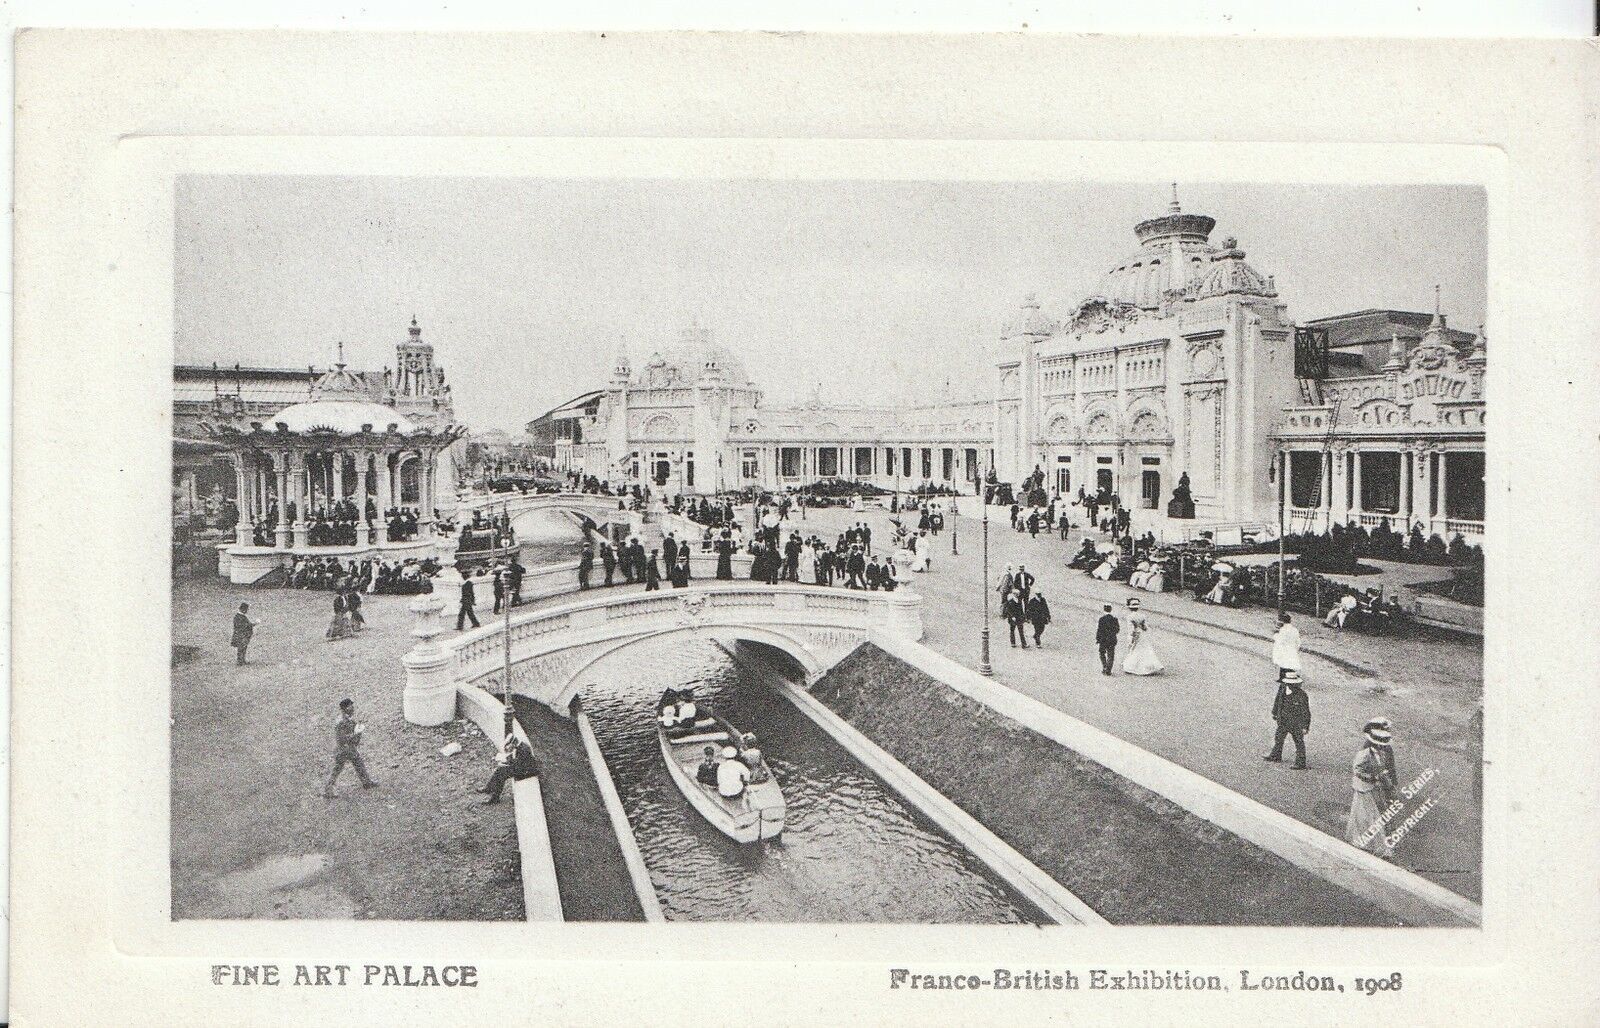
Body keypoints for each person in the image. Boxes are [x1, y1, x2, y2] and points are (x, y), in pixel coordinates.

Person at [1347, 717, 1399, 857]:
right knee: (1368, 814)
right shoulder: (1365, 753)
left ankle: (1369, 840)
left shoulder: (1384, 749)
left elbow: (1389, 766)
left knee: (1372, 814)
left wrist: (1390, 783)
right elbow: (1358, 770)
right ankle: (1370, 842)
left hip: (1374, 786)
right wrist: (1374, 778)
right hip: (1365, 787)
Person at [324, 698, 376, 796]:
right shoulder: (341, 722)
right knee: (337, 769)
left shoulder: (347, 719)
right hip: (343, 749)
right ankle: (328, 789)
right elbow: (341, 738)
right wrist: (356, 733)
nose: (353, 708)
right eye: (350, 706)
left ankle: (367, 782)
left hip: (348, 748)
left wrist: (357, 728)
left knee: (358, 763)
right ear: (345, 708)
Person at [1264, 670, 1311, 769]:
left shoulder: (1302, 695)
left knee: (1298, 742)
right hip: (1283, 721)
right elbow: (1278, 702)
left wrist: (1305, 726)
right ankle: (1276, 755)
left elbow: (1306, 712)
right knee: (1278, 738)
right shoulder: (1282, 689)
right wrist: (1275, 713)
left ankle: (1301, 762)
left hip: (1296, 723)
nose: (1289, 685)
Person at [480, 732, 538, 804]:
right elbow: (514, 760)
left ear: (512, 743)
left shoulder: (524, 749)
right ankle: (490, 790)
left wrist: (505, 763)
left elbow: (517, 764)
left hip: (527, 771)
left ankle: (494, 796)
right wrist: (505, 762)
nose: (508, 747)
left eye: (508, 745)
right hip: (522, 768)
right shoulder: (519, 746)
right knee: (500, 771)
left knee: (501, 773)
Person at [1122, 598, 1164, 675]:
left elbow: (1131, 629)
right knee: (1145, 648)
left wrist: (1131, 638)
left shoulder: (1130, 617)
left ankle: (1134, 666)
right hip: (1142, 634)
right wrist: (1141, 626)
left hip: (1136, 633)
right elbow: (1145, 628)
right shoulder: (1142, 616)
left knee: (1135, 649)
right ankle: (1148, 666)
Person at [1272, 612, 1302, 682]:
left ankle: (1283, 677)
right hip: (1292, 649)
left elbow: (1280, 640)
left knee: (1283, 663)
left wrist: (1275, 636)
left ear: (1283, 621)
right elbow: (1298, 641)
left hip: (1284, 649)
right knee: (1290, 662)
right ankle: (1289, 675)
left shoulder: (1283, 630)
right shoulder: (1295, 630)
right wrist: (1296, 648)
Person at [1095, 604, 1120, 676]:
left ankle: (1104, 666)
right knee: (1111, 655)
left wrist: (1098, 639)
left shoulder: (1101, 619)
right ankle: (1108, 670)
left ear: (1104, 609)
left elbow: (1099, 630)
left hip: (1103, 639)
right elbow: (1117, 630)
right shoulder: (1114, 619)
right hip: (1112, 639)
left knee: (1102, 653)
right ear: (1111, 610)